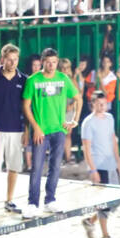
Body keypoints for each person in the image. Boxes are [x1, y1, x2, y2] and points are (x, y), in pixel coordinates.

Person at [23, 47, 80, 214]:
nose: (51, 65)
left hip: (59, 130)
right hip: (41, 131)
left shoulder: (63, 79)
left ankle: (50, 200)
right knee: (37, 167)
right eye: (48, 62)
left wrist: (74, 120)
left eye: (54, 62)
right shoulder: (33, 80)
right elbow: (25, 106)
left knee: (55, 166)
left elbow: (78, 98)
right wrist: (35, 127)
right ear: (42, 62)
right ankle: (33, 203)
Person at [0, 43, 27, 211]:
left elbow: (26, 107)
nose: (12, 63)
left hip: (16, 130)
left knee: (14, 167)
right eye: (9, 60)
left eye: (15, 60)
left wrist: (27, 130)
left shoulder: (24, 79)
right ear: (2, 59)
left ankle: (9, 201)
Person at [79, 92, 120, 238]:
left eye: (104, 103)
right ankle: (105, 237)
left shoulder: (110, 118)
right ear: (92, 104)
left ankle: (90, 221)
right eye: (99, 103)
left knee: (117, 199)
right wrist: (93, 170)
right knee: (105, 202)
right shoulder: (88, 123)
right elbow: (86, 148)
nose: (102, 106)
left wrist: (118, 162)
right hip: (99, 165)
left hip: (111, 163)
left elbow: (113, 139)